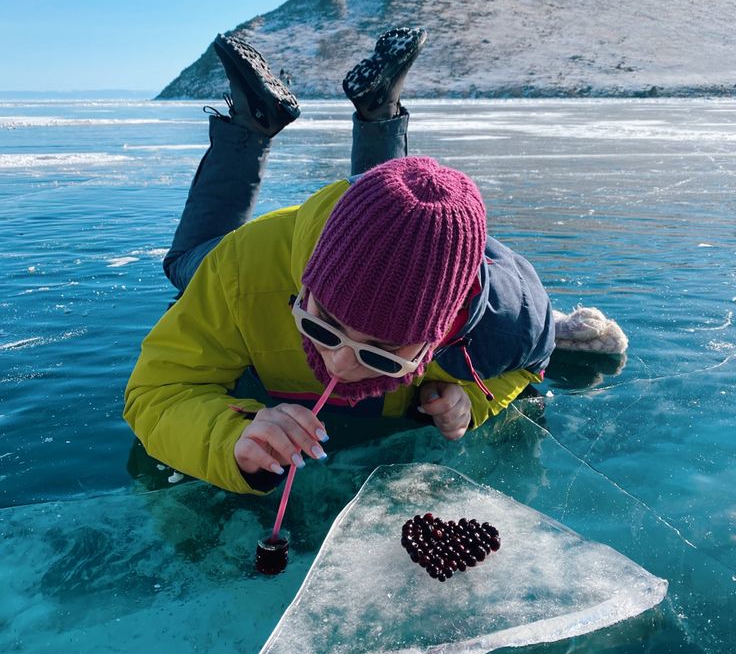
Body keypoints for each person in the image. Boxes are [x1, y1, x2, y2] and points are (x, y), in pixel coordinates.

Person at [123, 28, 556, 495]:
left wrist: (470, 398)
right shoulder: (241, 270)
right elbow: (157, 391)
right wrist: (227, 438)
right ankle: (281, 122)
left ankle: (296, 120)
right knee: (188, 262)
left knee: (376, 211)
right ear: (302, 287)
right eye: (322, 325)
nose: (341, 365)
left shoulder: (507, 318)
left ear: (441, 334)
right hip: (257, 252)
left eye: (383, 354)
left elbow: (529, 364)